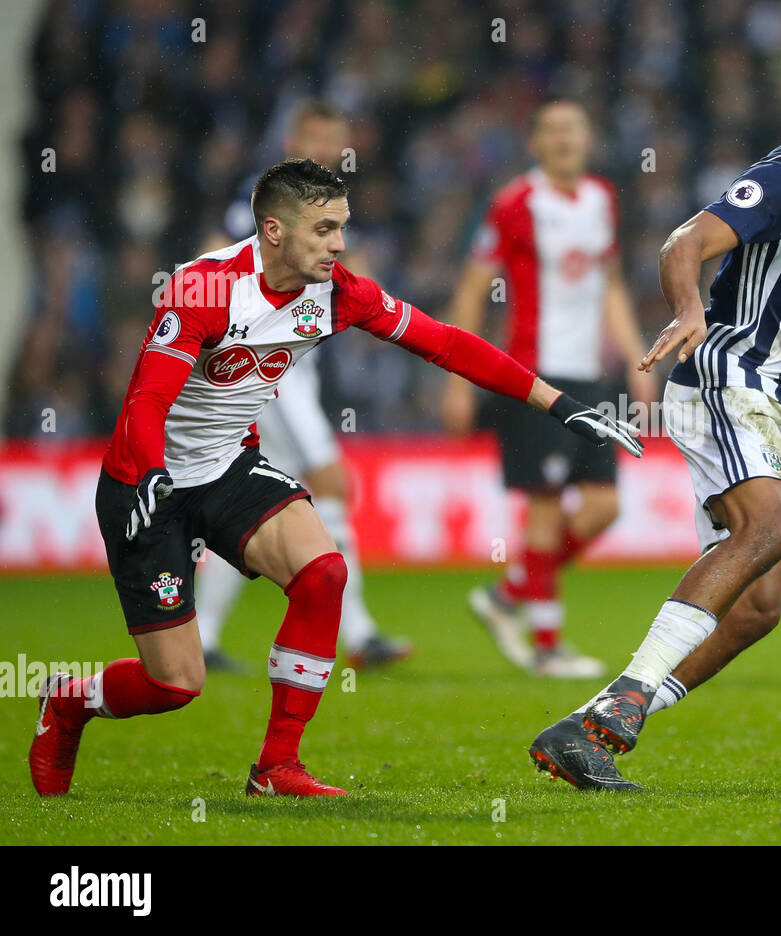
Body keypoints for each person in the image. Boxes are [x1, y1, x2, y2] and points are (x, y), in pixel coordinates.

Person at [29, 158, 640, 798]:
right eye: (323, 229)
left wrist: (559, 403)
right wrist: (152, 474)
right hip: (143, 483)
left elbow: (447, 344)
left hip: (227, 468)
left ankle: (275, 768)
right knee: (174, 684)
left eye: (342, 227)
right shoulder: (205, 287)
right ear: (272, 230)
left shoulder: (338, 290)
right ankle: (69, 701)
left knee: (324, 574)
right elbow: (147, 400)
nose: (339, 244)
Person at [528, 46, 781, 789]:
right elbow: (686, 243)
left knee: (758, 610)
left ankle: (586, 730)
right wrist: (688, 309)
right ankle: (627, 702)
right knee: (766, 528)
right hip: (727, 374)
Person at [195, 99, 410, 673]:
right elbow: (218, 259)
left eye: (336, 140)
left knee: (254, 503)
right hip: (269, 371)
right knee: (331, 485)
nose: (327, 149)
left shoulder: (326, 202)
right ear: (293, 136)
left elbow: (345, 273)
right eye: (316, 138)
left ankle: (205, 634)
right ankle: (360, 636)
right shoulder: (265, 197)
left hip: (297, 370)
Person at [442, 99, 653, 678]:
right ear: (534, 142)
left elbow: (610, 282)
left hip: (590, 374)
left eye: (573, 129)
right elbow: (473, 286)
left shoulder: (601, 198)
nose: (563, 139)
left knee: (605, 507)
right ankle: (546, 643)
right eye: (551, 130)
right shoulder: (515, 203)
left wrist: (636, 355)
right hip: (531, 376)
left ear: (588, 139)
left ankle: (510, 593)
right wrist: (458, 377)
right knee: (545, 504)